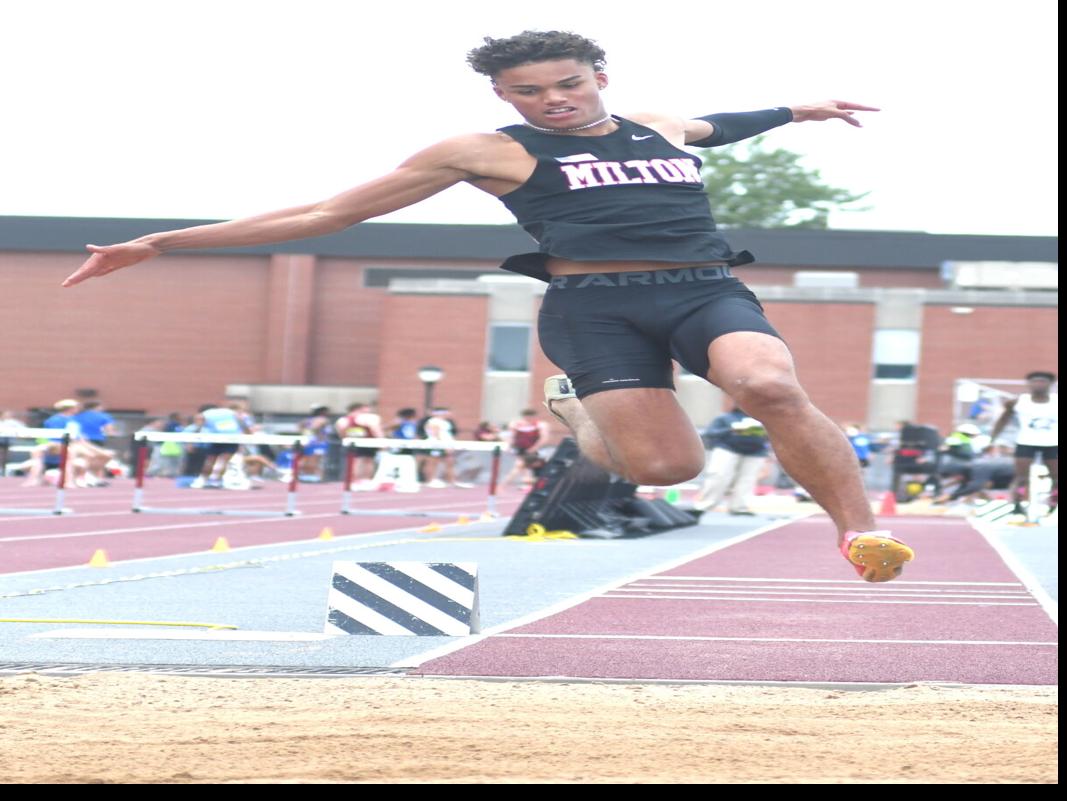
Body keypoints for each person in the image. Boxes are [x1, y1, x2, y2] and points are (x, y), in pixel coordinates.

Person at [59, 31, 911, 581]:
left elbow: (721, 124)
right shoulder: (485, 151)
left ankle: (858, 531)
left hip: (700, 287)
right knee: (664, 470)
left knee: (766, 384)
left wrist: (797, 110)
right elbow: (324, 214)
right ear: (506, 98)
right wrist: (164, 241)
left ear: (600, 77)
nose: (555, 100)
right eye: (532, 92)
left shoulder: (656, 125)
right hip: (592, 306)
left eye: (568, 84)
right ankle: (578, 410)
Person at [990, 371, 1058, 515]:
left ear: (1050, 384)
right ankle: (1017, 504)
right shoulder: (1018, 402)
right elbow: (1003, 420)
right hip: (1026, 442)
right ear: (1028, 384)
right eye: (1034, 381)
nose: (1038, 384)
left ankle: (1053, 504)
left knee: (1056, 477)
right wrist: (993, 438)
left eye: (1042, 381)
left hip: (1053, 443)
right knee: (1021, 477)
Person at [693, 407, 771, 515]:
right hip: (728, 449)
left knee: (748, 480)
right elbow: (710, 433)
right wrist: (731, 430)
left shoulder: (762, 419)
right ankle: (706, 505)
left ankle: (739, 507)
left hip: (756, 452)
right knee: (719, 476)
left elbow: (770, 436)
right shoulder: (725, 418)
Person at [336, 402, 385, 484]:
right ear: (359, 409)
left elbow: (341, 433)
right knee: (366, 461)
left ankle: (356, 479)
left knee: (357, 460)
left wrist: (346, 440)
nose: (369, 410)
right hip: (366, 442)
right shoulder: (368, 418)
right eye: (366, 408)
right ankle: (364, 480)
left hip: (353, 442)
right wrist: (382, 441)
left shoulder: (343, 420)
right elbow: (376, 429)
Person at [503, 409, 550, 487]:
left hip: (534, 450)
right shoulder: (516, 424)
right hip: (520, 449)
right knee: (521, 466)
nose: (528, 420)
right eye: (526, 418)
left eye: (530, 418)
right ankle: (526, 483)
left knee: (522, 466)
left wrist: (534, 448)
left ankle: (504, 485)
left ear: (534, 417)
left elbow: (544, 438)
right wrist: (509, 446)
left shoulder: (541, 425)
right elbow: (511, 436)